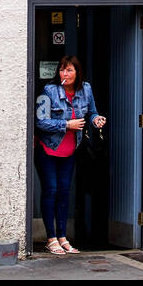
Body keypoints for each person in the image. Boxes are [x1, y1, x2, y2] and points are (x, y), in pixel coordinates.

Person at [34, 55, 106, 255]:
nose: (64, 74)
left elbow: (91, 112)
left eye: (69, 70)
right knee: (52, 190)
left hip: (70, 149)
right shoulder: (49, 90)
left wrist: (96, 119)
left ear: (77, 73)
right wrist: (66, 124)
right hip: (49, 148)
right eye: (62, 70)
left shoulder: (86, 89)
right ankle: (51, 238)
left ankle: (63, 237)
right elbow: (41, 121)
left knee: (64, 192)